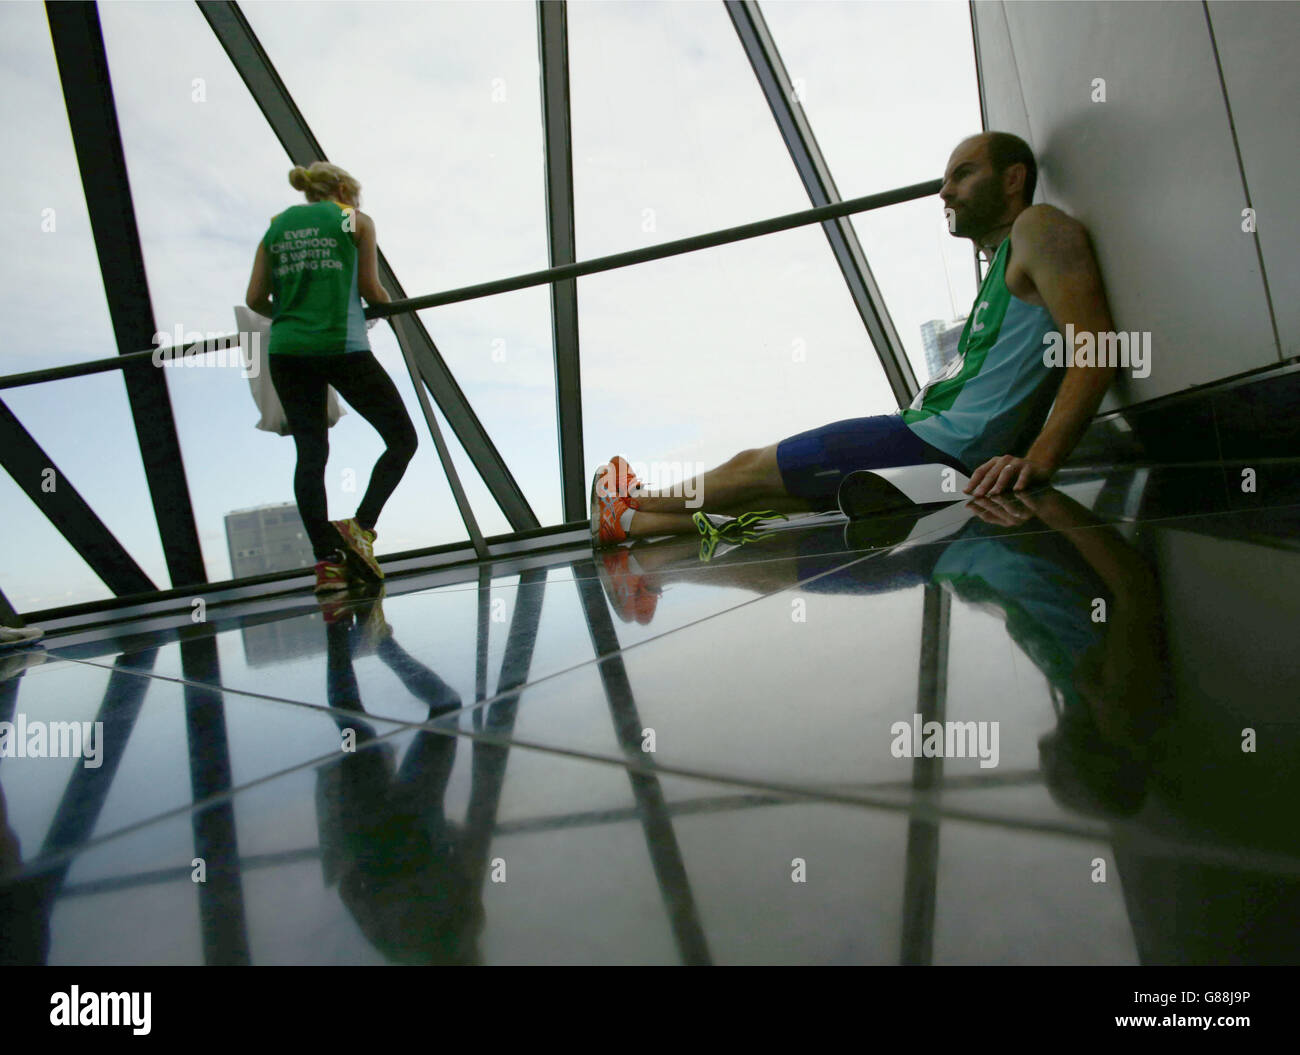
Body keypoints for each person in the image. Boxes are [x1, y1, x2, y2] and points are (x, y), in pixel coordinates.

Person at [590, 131, 1120, 545]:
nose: (945, 190)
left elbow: (1096, 347)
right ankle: (631, 524)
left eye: (962, 174)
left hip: (936, 442)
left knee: (753, 466)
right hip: (936, 442)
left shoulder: (1038, 226)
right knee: (786, 500)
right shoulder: (1002, 267)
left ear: (1013, 179)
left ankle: (635, 499)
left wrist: (1041, 460)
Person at [245, 162, 418, 593]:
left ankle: (328, 565)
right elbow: (372, 291)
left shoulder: (277, 226)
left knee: (311, 456)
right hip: (343, 349)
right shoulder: (353, 221)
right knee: (402, 440)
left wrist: (290, 316)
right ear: (343, 189)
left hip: (288, 352)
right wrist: (395, 308)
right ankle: (361, 527)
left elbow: (255, 299)